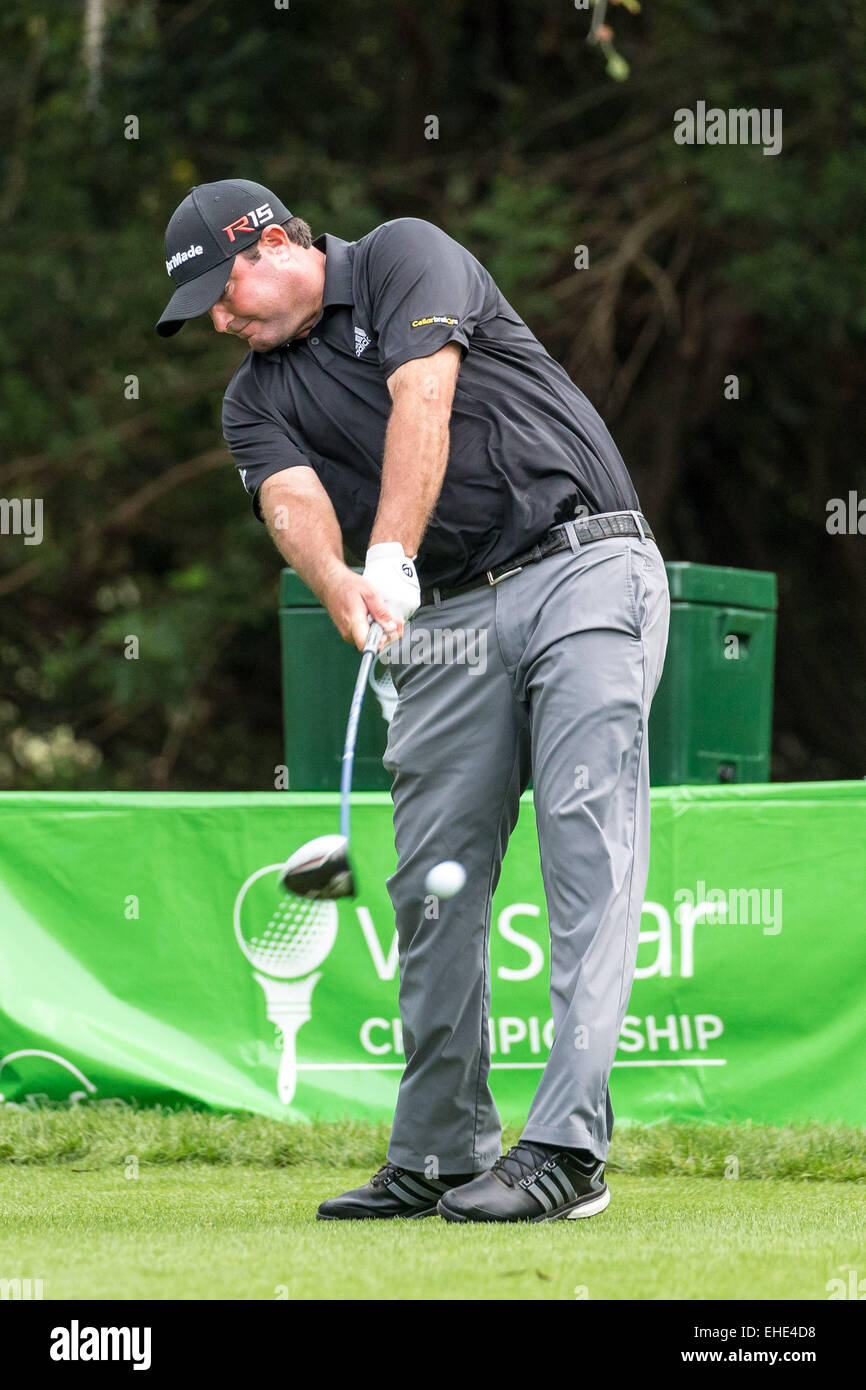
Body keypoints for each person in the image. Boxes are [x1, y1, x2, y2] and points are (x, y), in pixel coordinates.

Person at [157, 179, 671, 1223]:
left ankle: (567, 1150)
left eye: (224, 288)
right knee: (430, 888)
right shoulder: (251, 397)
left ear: (276, 242)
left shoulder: (403, 257)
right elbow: (287, 498)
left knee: (583, 849)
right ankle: (438, 1150)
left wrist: (386, 547)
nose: (219, 317)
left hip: (581, 566)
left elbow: (420, 398)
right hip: (440, 623)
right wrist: (341, 581)